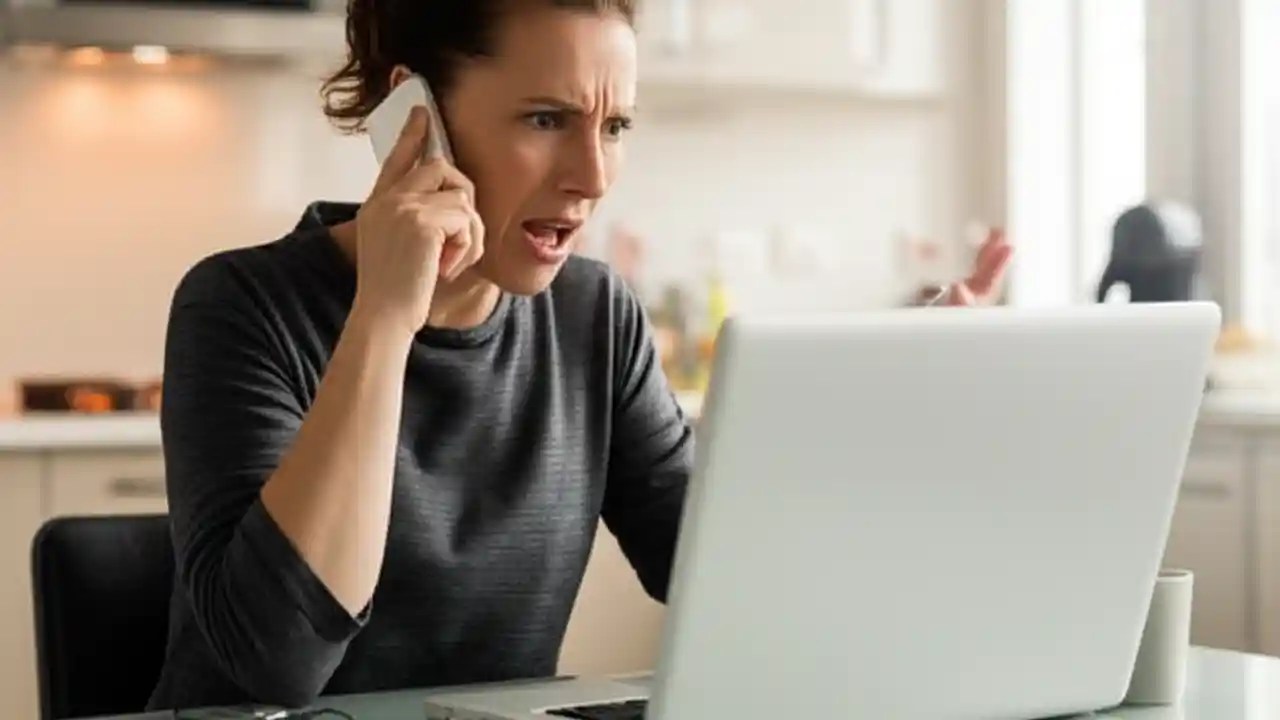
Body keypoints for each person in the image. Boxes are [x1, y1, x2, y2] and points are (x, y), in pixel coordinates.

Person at [146, 0, 1014, 711]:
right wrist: (384, 312)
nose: (592, 176)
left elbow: (732, 576)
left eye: (617, 125)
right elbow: (278, 664)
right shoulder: (241, 305)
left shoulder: (594, 315)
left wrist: (909, 403)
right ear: (415, 117)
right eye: (547, 119)